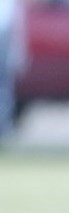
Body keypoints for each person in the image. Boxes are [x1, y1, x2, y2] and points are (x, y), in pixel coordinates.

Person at [0, 0, 26, 140]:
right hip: (5, 31)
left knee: (4, 86)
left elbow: (16, 21)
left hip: (5, 32)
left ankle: (3, 126)